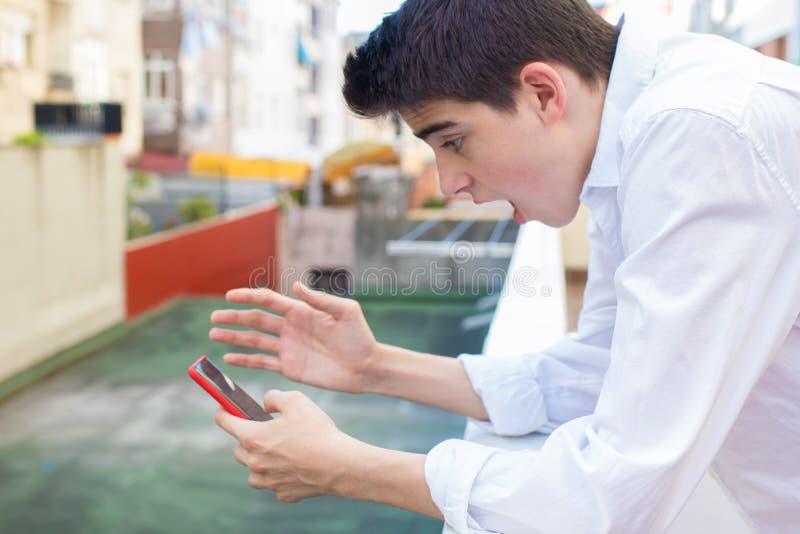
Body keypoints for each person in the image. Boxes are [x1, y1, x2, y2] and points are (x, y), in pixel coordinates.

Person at [207, 1, 800, 532]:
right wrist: (375, 367)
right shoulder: (636, 135)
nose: (449, 183)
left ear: (543, 93)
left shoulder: (698, 135)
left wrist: (344, 468)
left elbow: (611, 496)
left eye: (455, 141)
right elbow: (600, 374)